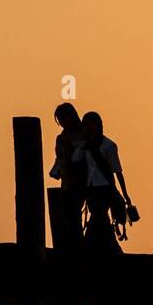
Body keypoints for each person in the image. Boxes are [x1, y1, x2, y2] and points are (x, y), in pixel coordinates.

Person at [79, 110, 134, 253]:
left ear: (99, 125)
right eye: (85, 125)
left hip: (105, 189)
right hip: (91, 189)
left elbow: (117, 171)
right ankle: (108, 248)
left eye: (90, 125)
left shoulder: (108, 146)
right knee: (99, 218)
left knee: (99, 217)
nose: (88, 128)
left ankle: (93, 246)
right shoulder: (84, 146)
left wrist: (125, 194)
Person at [48, 102, 86, 245]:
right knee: (70, 214)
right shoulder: (62, 138)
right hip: (68, 181)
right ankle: (75, 243)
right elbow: (60, 159)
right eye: (60, 119)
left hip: (85, 180)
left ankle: (80, 243)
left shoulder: (85, 134)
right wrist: (56, 171)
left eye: (63, 118)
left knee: (76, 213)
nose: (62, 122)